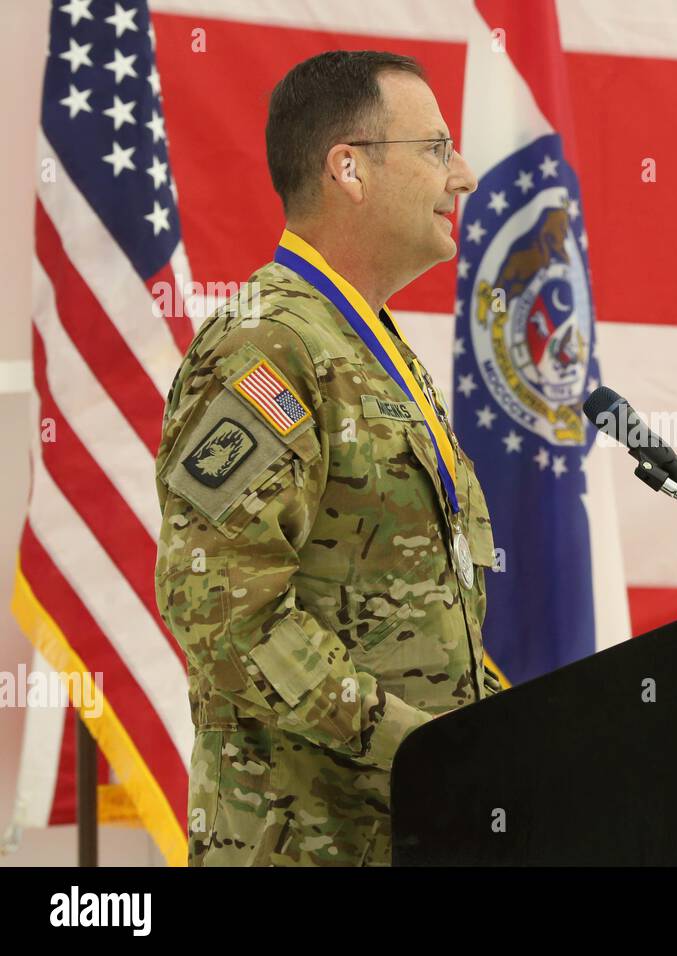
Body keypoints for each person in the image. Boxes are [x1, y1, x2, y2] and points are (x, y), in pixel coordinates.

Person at [153, 49, 498, 867]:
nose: (465, 175)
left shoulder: (373, 345)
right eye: (437, 148)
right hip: (303, 847)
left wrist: (507, 735)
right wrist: (417, 747)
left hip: (406, 834)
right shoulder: (267, 343)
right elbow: (225, 615)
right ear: (349, 168)